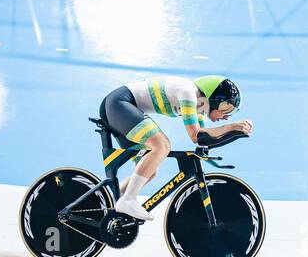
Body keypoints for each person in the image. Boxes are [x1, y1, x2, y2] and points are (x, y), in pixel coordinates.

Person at [104, 75, 251, 221]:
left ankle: (109, 202)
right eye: (227, 108)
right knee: (162, 145)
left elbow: (203, 140)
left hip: (120, 106)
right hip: (119, 103)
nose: (227, 116)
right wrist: (231, 127)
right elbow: (196, 135)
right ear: (214, 98)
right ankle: (128, 200)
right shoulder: (188, 93)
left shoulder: (199, 106)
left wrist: (235, 133)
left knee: (150, 171)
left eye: (232, 112)